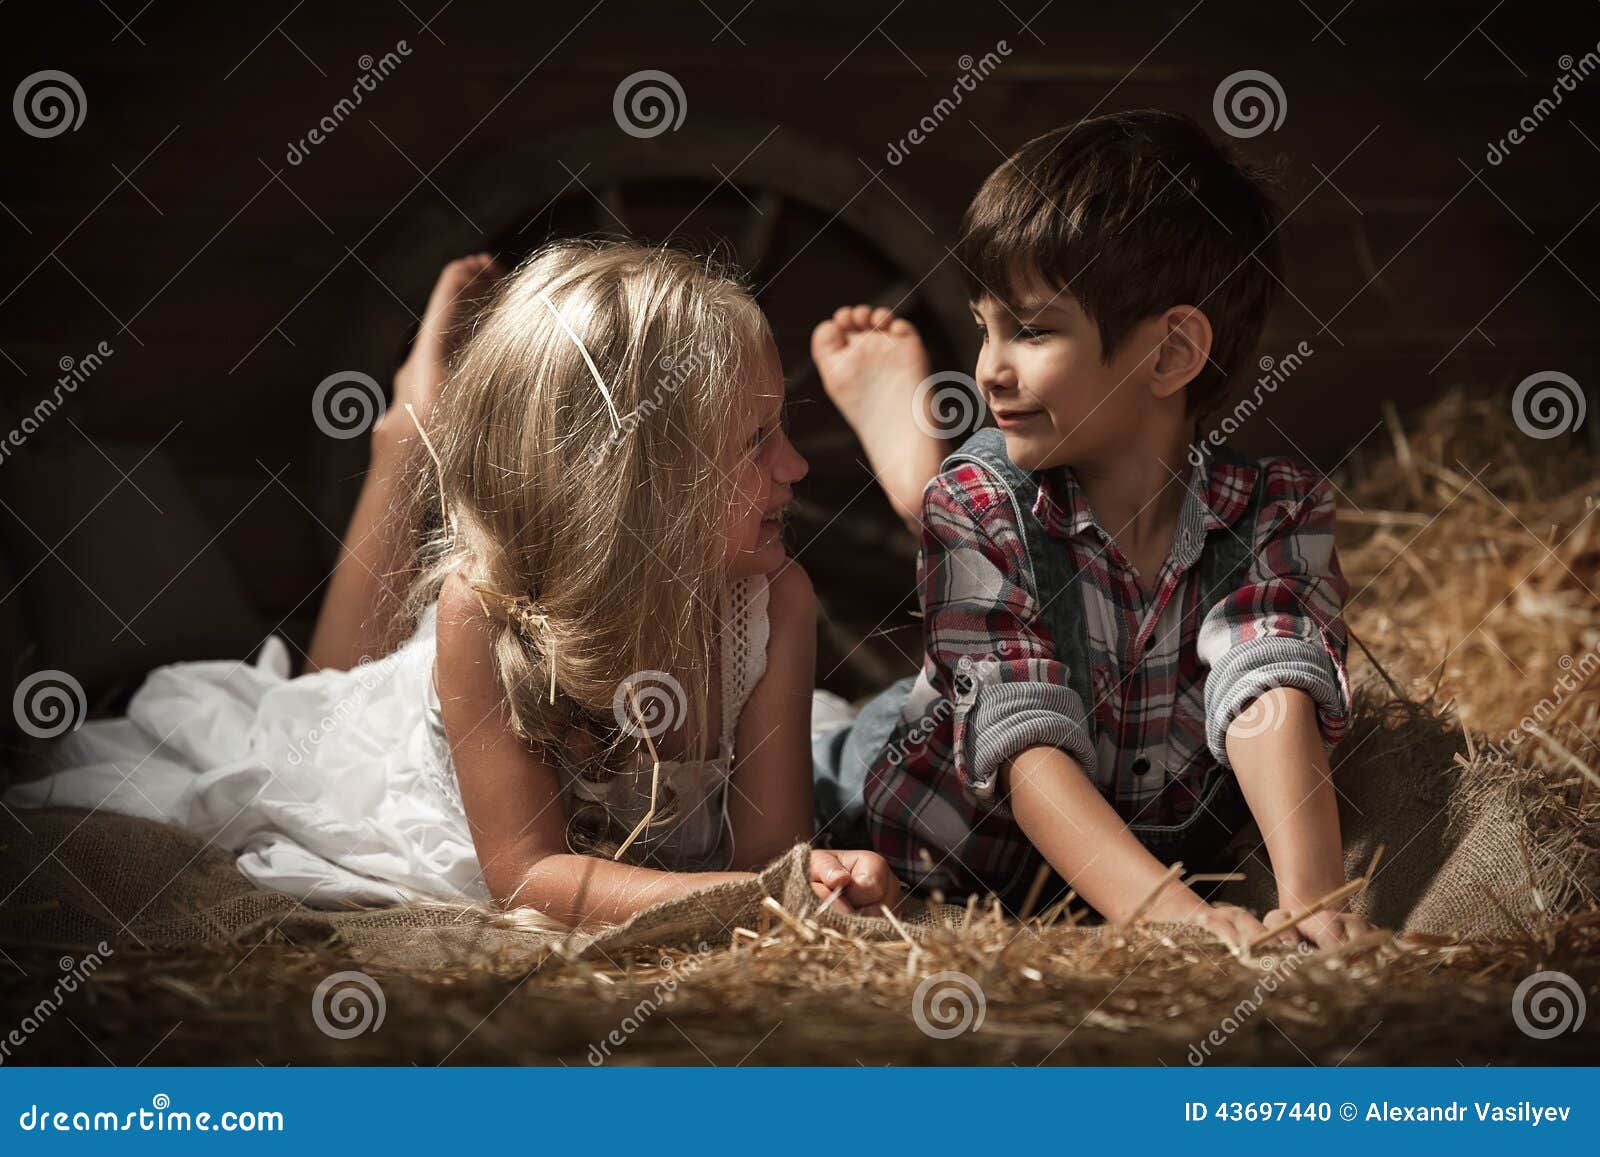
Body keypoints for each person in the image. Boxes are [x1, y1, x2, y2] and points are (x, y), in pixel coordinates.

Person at [6, 242, 901, 928]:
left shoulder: (775, 600)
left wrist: (811, 881)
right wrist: (756, 896)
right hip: (398, 756)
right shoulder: (481, 611)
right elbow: (528, 874)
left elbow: (770, 855)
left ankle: (417, 426)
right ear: (636, 482)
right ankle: (411, 434)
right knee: (315, 713)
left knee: (323, 687)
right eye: (755, 442)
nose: (795, 466)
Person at [810, 109, 1378, 950]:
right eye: (984, 327)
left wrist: (1312, 905)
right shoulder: (981, 504)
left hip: (1106, 840)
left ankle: (913, 482)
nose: (988, 368)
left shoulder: (1277, 510)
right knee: (828, 736)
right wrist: (1171, 918)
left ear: (1171, 353)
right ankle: (913, 482)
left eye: (1031, 330)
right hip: (918, 827)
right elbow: (1026, 743)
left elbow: (1271, 687)